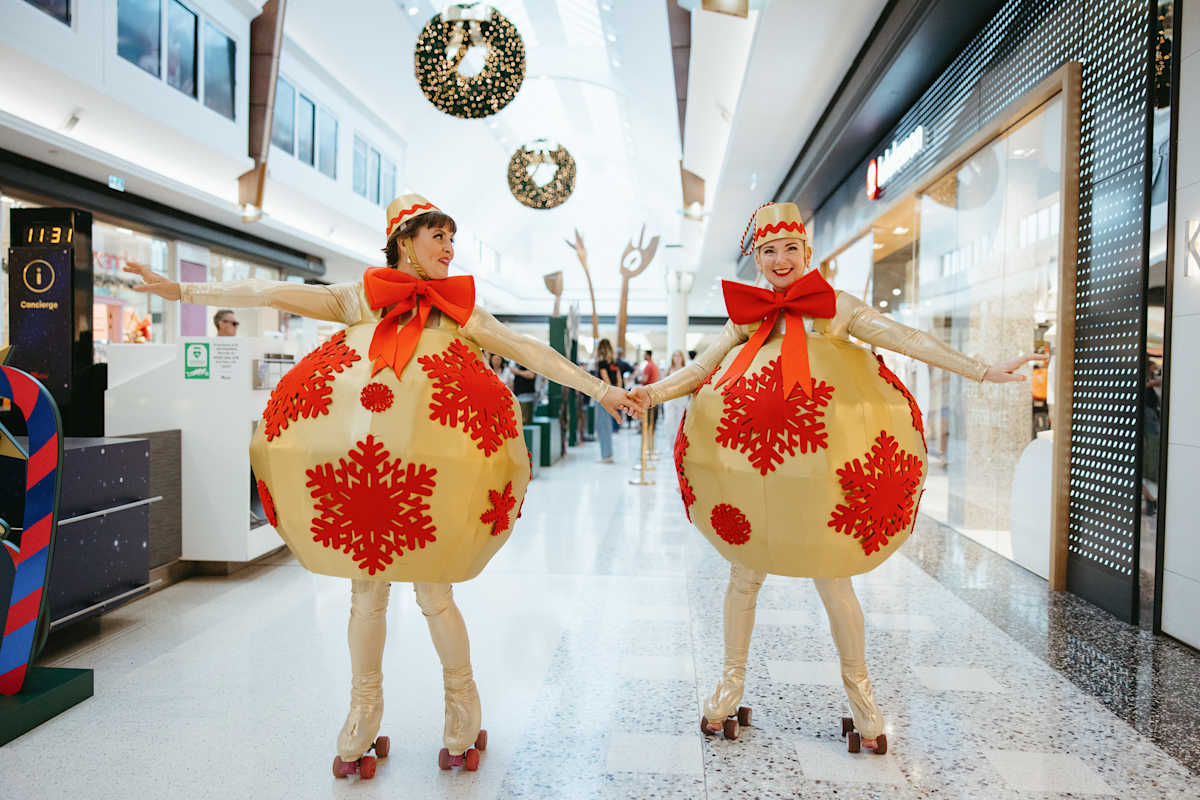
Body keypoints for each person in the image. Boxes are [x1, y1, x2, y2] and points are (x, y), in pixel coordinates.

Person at [126, 194, 640, 776]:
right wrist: (181, 292)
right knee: (366, 594)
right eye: (438, 237)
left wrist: (601, 390)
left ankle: (461, 699)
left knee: (433, 594)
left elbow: (528, 349)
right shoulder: (356, 298)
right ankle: (364, 706)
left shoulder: (458, 309)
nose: (450, 248)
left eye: (452, 237)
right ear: (404, 241)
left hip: (431, 485)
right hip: (365, 485)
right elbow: (269, 293)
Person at [631, 201, 1043, 754]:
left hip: (827, 487)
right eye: (768, 251)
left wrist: (981, 371)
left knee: (834, 582)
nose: (780, 260)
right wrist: (650, 395)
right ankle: (730, 687)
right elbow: (702, 368)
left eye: (790, 249)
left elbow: (905, 339)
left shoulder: (835, 307)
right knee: (744, 579)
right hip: (758, 488)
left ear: (807, 251)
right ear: (758, 257)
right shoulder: (748, 317)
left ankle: (863, 700)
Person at [594, 338, 621, 463]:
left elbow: (605, 380)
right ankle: (607, 454)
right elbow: (619, 380)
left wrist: (611, 394)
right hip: (614, 396)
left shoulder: (601, 363)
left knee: (602, 426)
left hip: (604, 397)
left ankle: (606, 455)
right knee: (607, 425)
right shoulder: (614, 363)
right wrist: (617, 394)